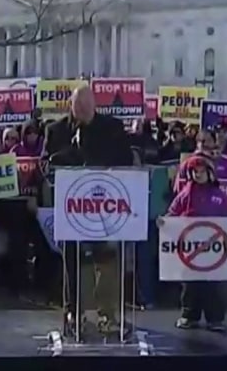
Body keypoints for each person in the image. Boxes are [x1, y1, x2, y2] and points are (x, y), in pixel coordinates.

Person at [40, 87, 134, 335]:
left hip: (106, 207)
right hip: (72, 208)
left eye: (86, 105)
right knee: (72, 261)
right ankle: (74, 312)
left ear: (94, 104)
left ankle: (107, 314)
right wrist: (69, 153)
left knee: (107, 260)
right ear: (70, 105)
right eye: (77, 105)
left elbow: (125, 161)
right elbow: (46, 165)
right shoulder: (56, 130)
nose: (81, 110)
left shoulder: (112, 128)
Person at [163, 156, 227, 331]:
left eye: (202, 171)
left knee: (212, 285)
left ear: (210, 174)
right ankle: (189, 315)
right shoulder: (185, 194)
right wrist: (164, 222)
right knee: (190, 284)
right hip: (190, 248)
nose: (198, 175)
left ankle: (215, 319)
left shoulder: (218, 195)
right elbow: (172, 212)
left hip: (211, 249)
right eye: (195, 172)